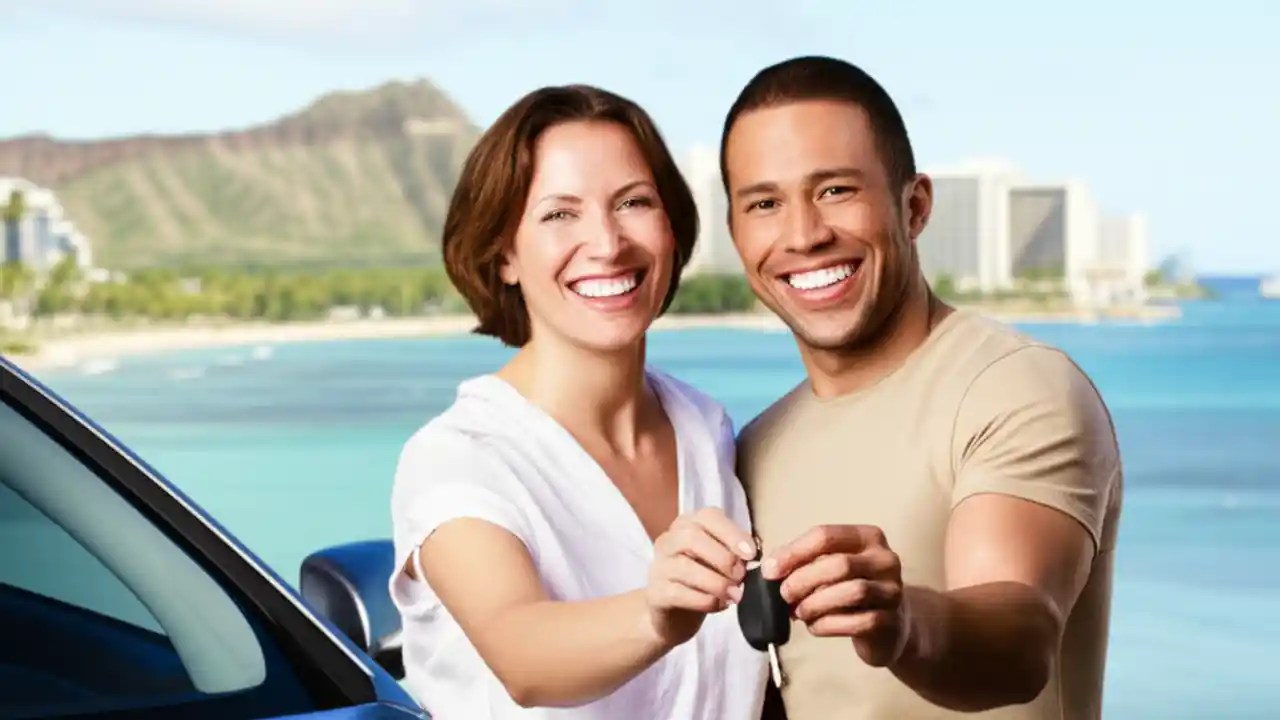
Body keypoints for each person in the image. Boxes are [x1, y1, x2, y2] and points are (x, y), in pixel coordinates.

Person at [721, 56, 1124, 719]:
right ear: (737, 234)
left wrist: (903, 623)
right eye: (765, 204)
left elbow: (1019, 636)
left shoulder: (1016, 388)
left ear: (914, 207)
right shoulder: (753, 448)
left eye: (835, 190)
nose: (804, 235)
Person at [387, 84, 769, 719]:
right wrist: (653, 613)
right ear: (504, 255)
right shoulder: (457, 459)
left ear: (672, 229)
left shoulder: (705, 428)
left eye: (633, 203)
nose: (608, 243)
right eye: (560, 214)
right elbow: (524, 657)